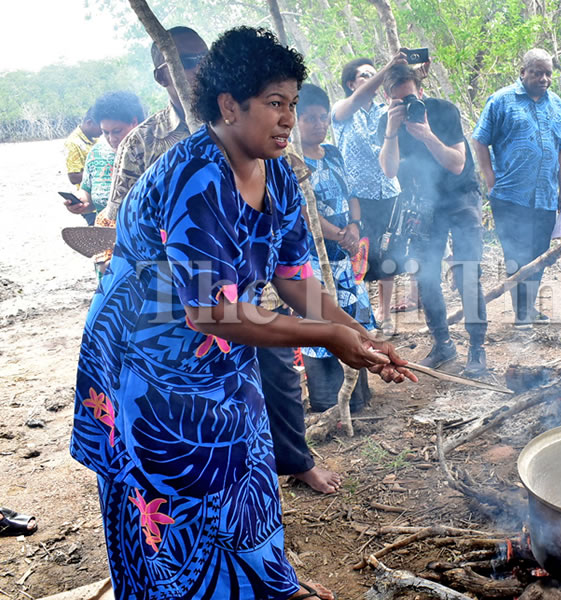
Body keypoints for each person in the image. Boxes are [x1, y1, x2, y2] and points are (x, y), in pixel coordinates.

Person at [69, 27, 414, 600]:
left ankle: (263, 585)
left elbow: (296, 279)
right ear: (230, 105)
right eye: (275, 104)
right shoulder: (196, 175)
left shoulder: (276, 172)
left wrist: (363, 337)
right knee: (178, 492)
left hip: (218, 349)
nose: (288, 119)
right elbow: (207, 310)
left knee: (248, 468)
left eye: (293, 104)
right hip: (148, 361)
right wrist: (328, 335)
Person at [378, 64, 488, 374]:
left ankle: (477, 350)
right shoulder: (387, 124)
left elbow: (457, 164)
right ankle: (443, 344)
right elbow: (388, 170)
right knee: (426, 276)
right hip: (425, 204)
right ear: (387, 99)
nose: (406, 105)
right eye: (398, 101)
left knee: (467, 272)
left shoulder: (443, 111)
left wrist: (427, 136)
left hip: (461, 196)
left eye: (411, 98)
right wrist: (391, 131)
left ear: (421, 92)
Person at [472, 48, 561, 326]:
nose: (544, 78)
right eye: (537, 72)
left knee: (540, 254)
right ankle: (521, 312)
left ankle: (527, 309)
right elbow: (480, 140)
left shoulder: (558, 105)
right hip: (509, 195)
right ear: (523, 72)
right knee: (516, 254)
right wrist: (490, 178)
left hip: (545, 196)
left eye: (548, 73)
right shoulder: (501, 100)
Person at [297, 83, 377, 414]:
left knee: (352, 318)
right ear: (295, 120)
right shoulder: (291, 161)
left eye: (323, 118)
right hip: (315, 258)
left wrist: (354, 228)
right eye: (310, 119)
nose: (319, 124)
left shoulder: (333, 153)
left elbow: (351, 193)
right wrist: (336, 233)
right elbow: (304, 210)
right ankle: (328, 403)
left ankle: (358, 397)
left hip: (346, 256)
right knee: (321, 323)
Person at [96, 26, 208, 226]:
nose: (202, 68)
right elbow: (122, 222)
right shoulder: (139, 144)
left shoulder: (241, 123)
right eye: (188, 62)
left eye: (206, 59)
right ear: (161, 77)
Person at [332, 54, 406, 333]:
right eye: (364, 75)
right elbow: (349, 105)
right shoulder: (342, 111)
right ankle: (361, 317)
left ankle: (385, 316)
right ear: (351, 83)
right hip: (357, 197)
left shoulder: (385, 111)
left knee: (388, 255)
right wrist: (387, 67)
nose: (371, 78)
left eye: (374, 74)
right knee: (359, 256)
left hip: (389, 192)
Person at [64, 91, 144, 224]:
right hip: (105, 236)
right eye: (105, 132)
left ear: (134, 122)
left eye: (117, 131)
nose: (111, 139)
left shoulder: (152, 153)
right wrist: (80, 203)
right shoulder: (97, 153)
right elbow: (87, 193)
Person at [64, 110, 102, 188]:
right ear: (89, 123)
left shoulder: (95, 139)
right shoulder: (73, 143)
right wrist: (102, 172)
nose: (102, 132)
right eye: (100, 128)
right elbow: (73, 177)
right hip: (87, 193)